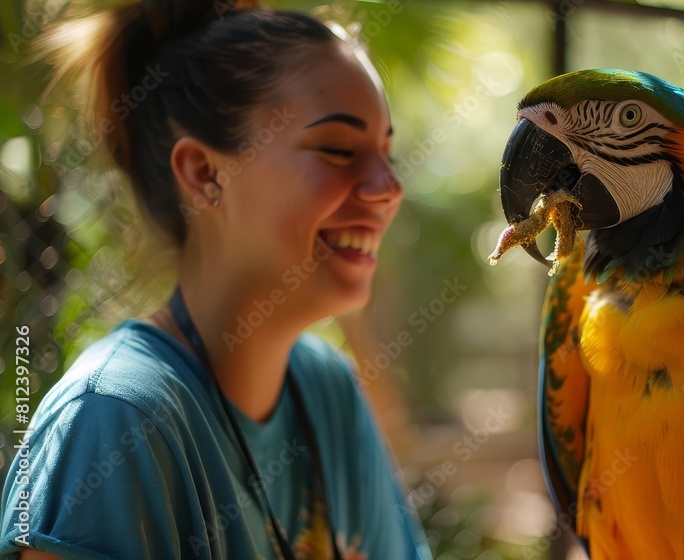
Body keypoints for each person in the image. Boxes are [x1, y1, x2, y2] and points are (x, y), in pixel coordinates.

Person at [0, 0, 432, 558]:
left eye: (386, 154)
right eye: (338, 149)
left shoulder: (328, 388)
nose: (389, 188)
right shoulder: (112, 419)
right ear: (205, 174)